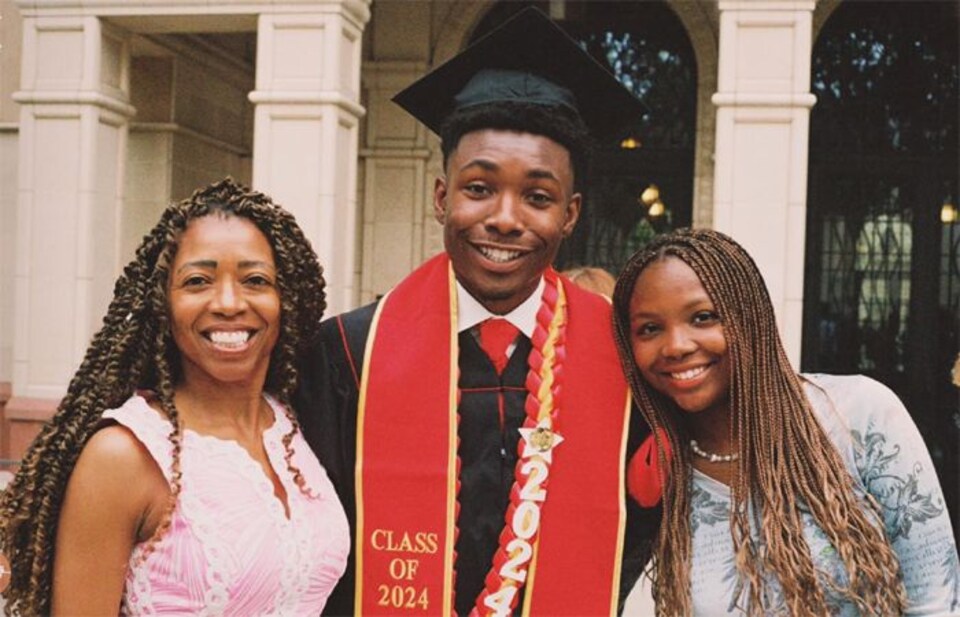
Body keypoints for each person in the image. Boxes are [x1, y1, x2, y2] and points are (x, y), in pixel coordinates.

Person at [295, 7, 657, 616]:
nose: (505, 218)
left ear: (569, 215)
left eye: (538, 197)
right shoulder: (346, 354)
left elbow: (643, 531)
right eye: (479, 188)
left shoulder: (621, 360)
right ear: (442, 197)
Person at [0, 179, 349, 615]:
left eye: (255, 280)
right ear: (163, 303)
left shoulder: (293, 425)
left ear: (287, 298)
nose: (227, 302)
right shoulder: (124, 455)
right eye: (198, 281)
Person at [611, 228, 960, 615]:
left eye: (703, 317)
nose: (676, 345)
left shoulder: (859, 415)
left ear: (750, 317)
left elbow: (936, 602)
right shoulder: (657, 475)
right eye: (650, 329)